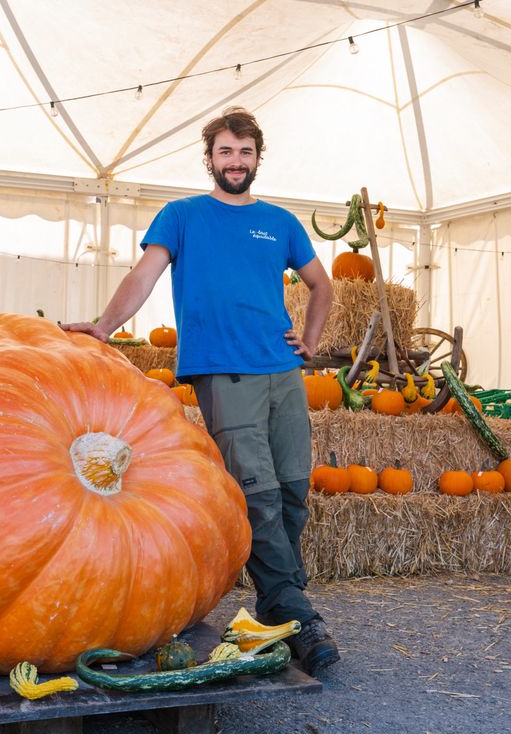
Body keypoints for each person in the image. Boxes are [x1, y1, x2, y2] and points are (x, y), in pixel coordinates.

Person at [60, 107, 339, 675]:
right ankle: (297, 613)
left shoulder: (280, 222)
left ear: (258, 158)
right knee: (256, 493)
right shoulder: (182, 216)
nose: (235, 162)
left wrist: (309, 340)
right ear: (209, 159)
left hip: (282, 371)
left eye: (245, 152)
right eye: (225, 152)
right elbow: (144, 275)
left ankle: (278, 605)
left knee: (292, 489)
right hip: (223, 372)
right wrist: (105, 327)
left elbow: (321, 285)